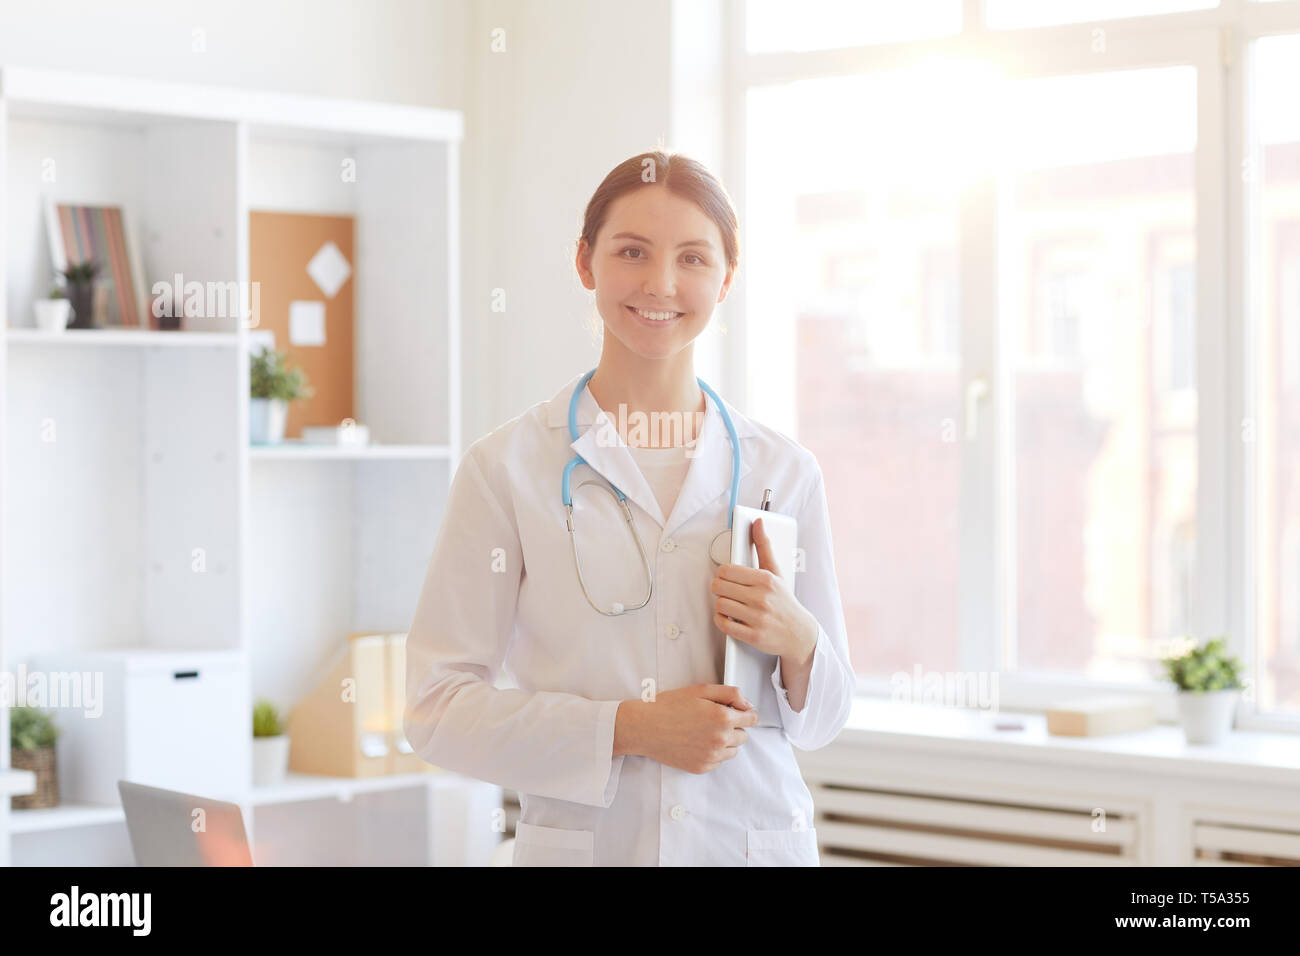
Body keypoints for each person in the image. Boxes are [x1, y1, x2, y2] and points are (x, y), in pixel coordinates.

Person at [403, 149, 854, 866]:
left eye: (694, 259)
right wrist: (629, 728)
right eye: (632, 252)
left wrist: (798, 639)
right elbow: (437, 710)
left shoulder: (782, 471)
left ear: (727, 278)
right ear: (586, 263)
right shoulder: (506, 470)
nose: (661, 284)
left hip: (748, 842)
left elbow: (824, 721)